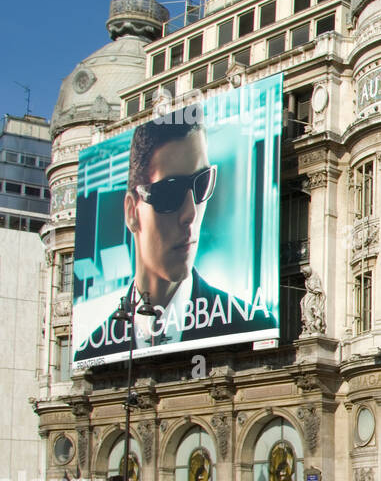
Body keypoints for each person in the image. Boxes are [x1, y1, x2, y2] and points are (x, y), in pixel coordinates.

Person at [77, 105, 275, 363]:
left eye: (202, 183)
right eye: (169, 193)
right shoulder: (93, 351)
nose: (190, 213)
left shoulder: (252, 325)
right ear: (131, 211)